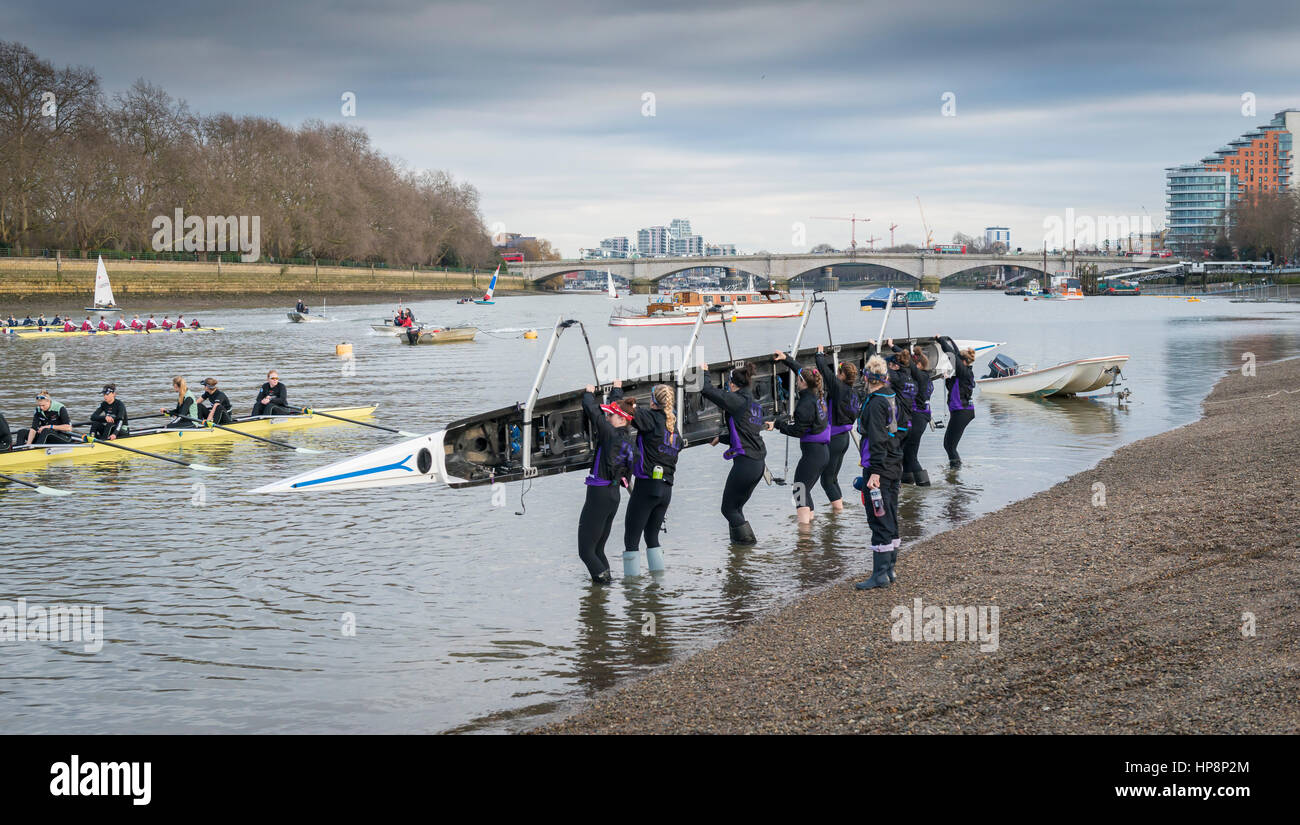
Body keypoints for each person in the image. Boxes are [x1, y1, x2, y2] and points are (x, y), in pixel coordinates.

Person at [618, 381, 681, 575]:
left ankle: (633, 593)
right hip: (666, 490)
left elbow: (619, 408)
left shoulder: (650, 418)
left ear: (653, 401)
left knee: (631, 541)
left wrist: (616, 390)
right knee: (652, 538)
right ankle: (658, 588)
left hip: (647, 488)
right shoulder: (673, 428)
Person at [699, 363, 766, 544]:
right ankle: (740, 554)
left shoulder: (737, 401)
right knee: (736, 508)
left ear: (732, 384)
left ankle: (748, 547)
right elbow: (744, 432)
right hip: (757, 463)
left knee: (728, 510)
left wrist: (704, 371)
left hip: (746, 464)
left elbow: (706, 389)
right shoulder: (753, 404)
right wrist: (721, 438)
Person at [577, 386, 637, 584]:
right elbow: (612, 410)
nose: (608, 418)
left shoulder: (609, 433)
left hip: (598, 495)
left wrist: (588, 392)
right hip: (613, 495)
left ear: (621, 419)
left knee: (586, 551)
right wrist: (617, 389)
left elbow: (591, 410)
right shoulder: (629, 440)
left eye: (611, 416)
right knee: (598, 549)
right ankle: (606, 587)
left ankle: (602, 588)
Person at [854, 355, 904, 590]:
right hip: (894, 463)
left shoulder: (875, 403)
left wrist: (874, 472)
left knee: (879, 517)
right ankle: (890, 568)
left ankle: (880, 574)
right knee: (891, 514)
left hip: (880, 469)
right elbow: (901, 429)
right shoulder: (892, 396)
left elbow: (877, 438)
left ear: (867, 378)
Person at [766, 351, 830, 526]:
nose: (795, 380)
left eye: (798, 379)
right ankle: (809, 523)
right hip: (822, 452)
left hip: (813, 454)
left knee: (799, 489)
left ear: (803, 383)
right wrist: (787, 359)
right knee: (805, 489)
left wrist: (777, 424)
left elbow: (798, 431)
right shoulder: (818, 393)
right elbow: (803, 371)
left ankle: (804, 534)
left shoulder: (805, 404)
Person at [814, 345, 863, 512]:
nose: (836, 374)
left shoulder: (838, 388)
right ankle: (839, 509)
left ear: (842, 375)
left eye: (838, 372)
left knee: (826, 480)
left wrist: (820, 354)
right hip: (844, 438)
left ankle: (837, 513)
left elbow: (823, 371)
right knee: (833, 478)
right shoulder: (854, 392)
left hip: (834, 439)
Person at [938, 337, 977, 467]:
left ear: (964, 362)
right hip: (961, 411)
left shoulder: (964, 372)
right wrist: (949, 339)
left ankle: (954, 474)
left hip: (962, 412)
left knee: (949, 445)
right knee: (948, 445)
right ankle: (954, 472)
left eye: (959, 362)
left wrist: (940, 340)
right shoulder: (962, 374)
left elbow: (952, 355)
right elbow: (956, 353)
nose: (956, 363)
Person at [901, 344, 934, 485]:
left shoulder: (920, 377)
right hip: (924, 415)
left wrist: (894, 347)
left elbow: (910, 365)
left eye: (914, 366)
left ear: (919, 365)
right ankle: (908, 481)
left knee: (911, 455)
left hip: (918, 417)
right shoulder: (927, 377)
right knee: (906, 452)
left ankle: (925, 485)